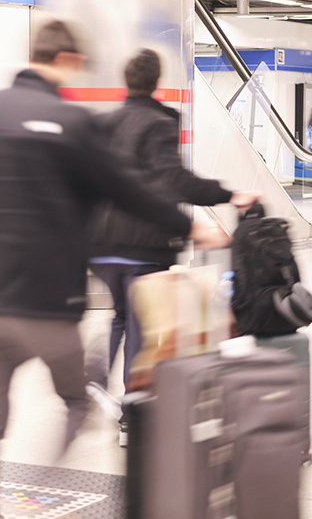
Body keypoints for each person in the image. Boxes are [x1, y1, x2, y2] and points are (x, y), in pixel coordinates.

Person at [0, 22, 229, 519]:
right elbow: (129, 189)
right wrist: (190, 226)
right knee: (77, 400)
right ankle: (37, 490)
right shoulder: (71, 123)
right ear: (69, 60)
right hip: (44, 304)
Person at [86, 49, 259, 446]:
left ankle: (96, 381)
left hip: (100, 244)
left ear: (126, 80)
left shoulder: (105, 123)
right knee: (144, 328)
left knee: (122, 316)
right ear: (157, 81)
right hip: (141, 245)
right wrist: (228, 196)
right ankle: (132, 417)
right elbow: (173, 180)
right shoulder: (161, 122)